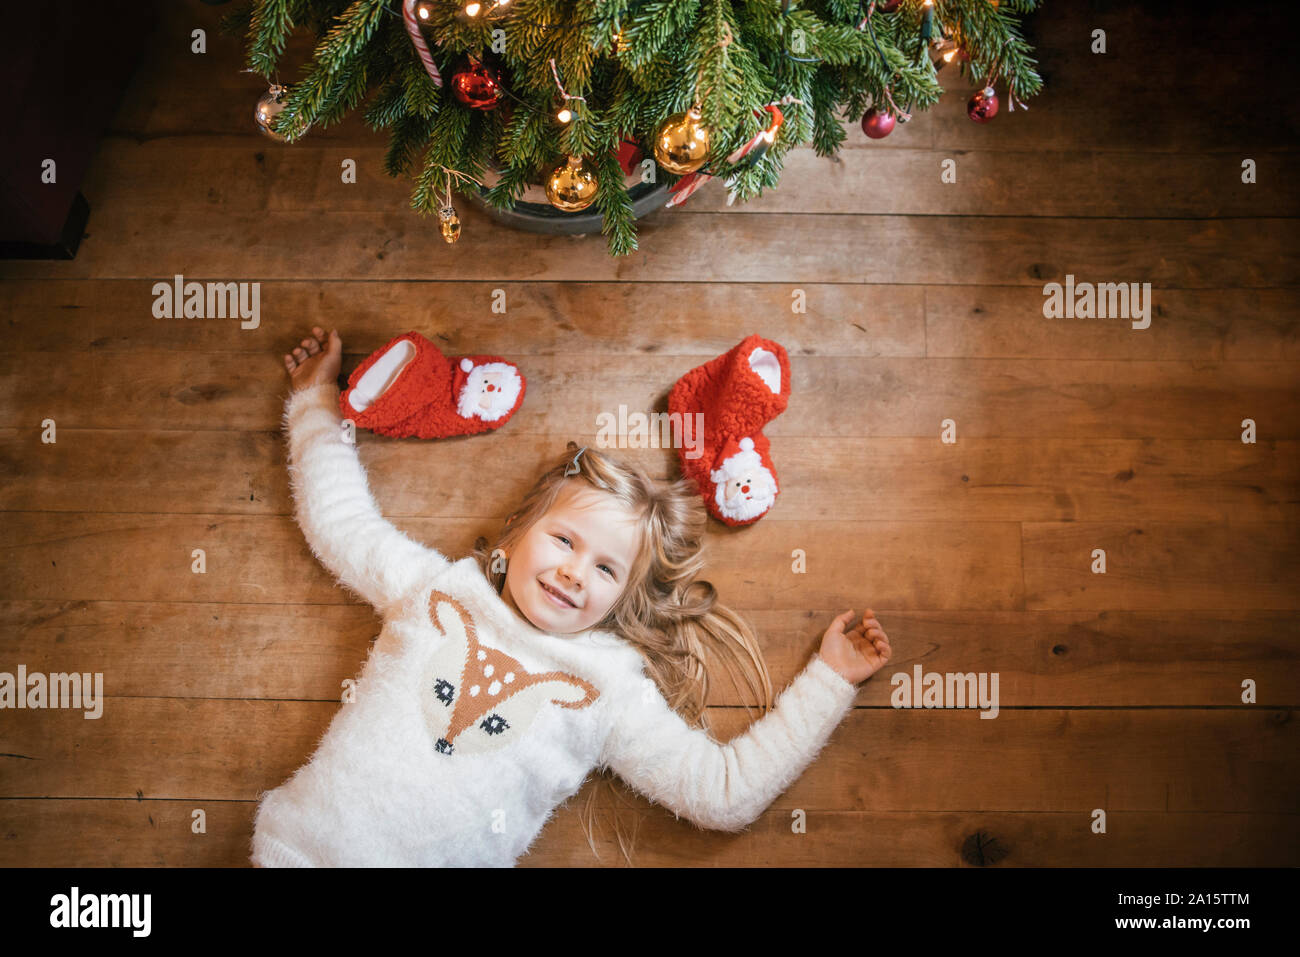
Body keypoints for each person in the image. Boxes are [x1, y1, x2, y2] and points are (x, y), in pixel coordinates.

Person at [254, 326, 892, 867]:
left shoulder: (606, 690)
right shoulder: (439, 590)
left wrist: (830, 679)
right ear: (518, 532)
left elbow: (722, 794)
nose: (576, 572)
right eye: (564, 539)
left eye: (608, 570)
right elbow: (340, 523)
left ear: (621, 602)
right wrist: (314, 400)